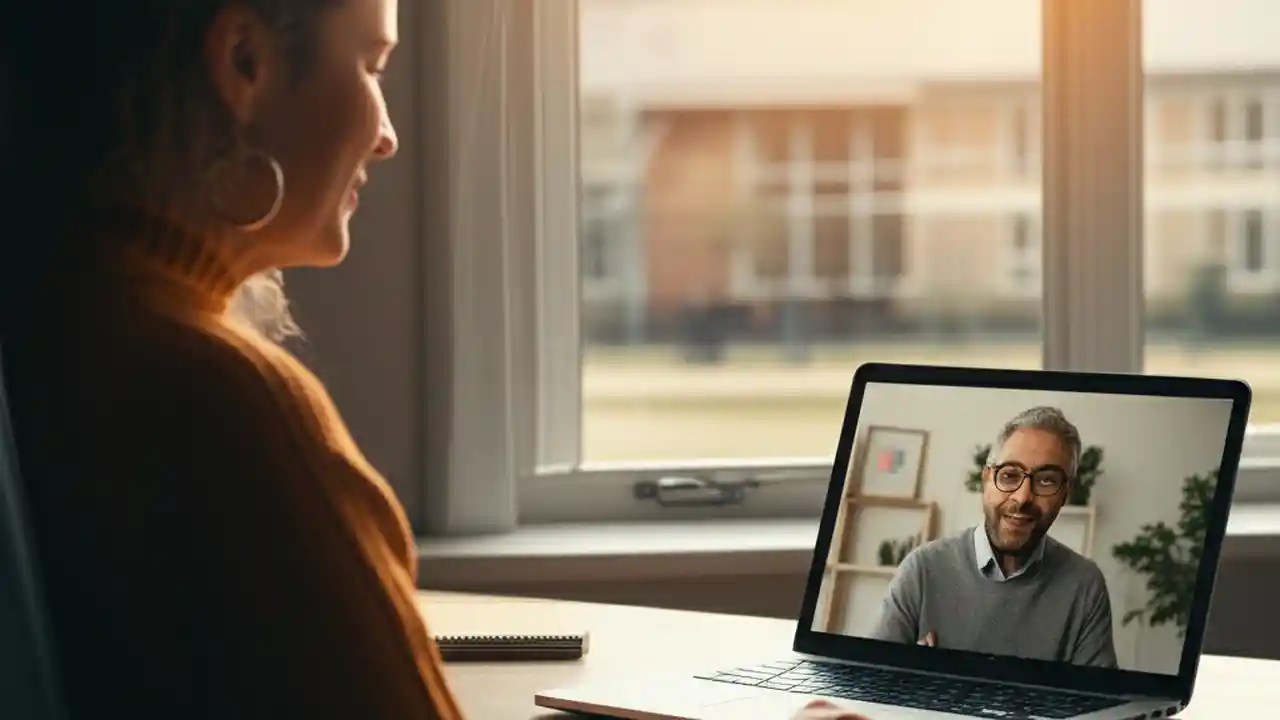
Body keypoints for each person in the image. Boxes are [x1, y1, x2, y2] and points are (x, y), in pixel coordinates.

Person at [0, 1, 872, 718]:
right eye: (371, 65)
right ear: (244, 62)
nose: (386, 134)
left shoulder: (55, 319)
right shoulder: (222, 403)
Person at [869, 407, 1118, 668]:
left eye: (1046, 481)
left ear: (1065, 493)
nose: (1022, 498)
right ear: (987, 478)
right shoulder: (922, 569)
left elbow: (1097, 691)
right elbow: (872, 679)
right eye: (1009, 475)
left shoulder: (1084, 585)